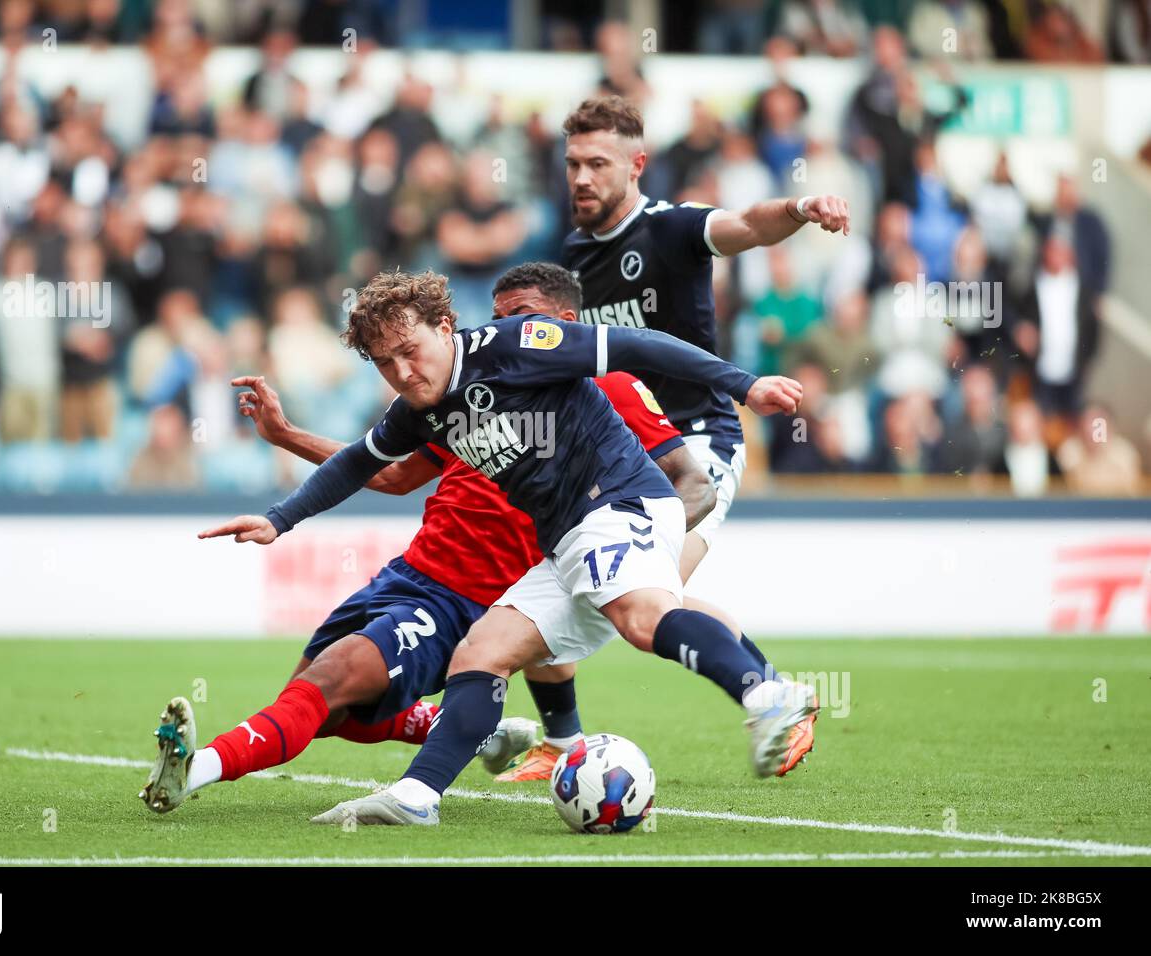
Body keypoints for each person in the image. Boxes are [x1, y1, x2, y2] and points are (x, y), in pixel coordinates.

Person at [186, 266, 806, 827]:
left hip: (617, 502)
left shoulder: (514, 347)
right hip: (563, 541)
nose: (402, 371)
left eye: (410, 350)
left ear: (446, 329)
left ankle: (767, 695)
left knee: (643, 619)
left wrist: (744, 385)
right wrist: (279, 519)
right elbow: (361, 464)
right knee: (482, 652)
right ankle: (418, 796)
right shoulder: (420, 409)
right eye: (384, 361)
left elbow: (639, 347)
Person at [499, 95, 848, 780]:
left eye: (597, 163)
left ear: (636, 165)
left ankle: (770, 695)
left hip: (694, 448)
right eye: (572, 163)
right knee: (573, 580)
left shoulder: (673, 229)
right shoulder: (571, 255)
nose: (581, 177)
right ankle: (571, 742)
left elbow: (747, 223)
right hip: (615, 452)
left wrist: (801, 210)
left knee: (638, 596)